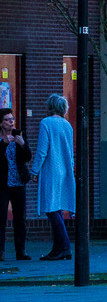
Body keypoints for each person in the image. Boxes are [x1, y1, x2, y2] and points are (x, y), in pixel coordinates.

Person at [33, 94, 75, 261]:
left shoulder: (46, 123)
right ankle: (57, 249)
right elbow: (70, 150)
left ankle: (64, 246)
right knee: (56, 208)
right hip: (65, 169)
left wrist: (34, 171)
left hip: (51, 169)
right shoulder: (67, 125)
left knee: (51, 209)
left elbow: (42, 150)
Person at [1, 109, 32, 260]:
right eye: (7, 119)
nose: (11, 122)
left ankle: (21, 250)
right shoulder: (1, 139)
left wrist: (22, 144)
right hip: (3, 183)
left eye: (12, 119)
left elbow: (27, 157)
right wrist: (3, 144)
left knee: (20, 217)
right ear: (1, 123)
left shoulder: (19, 135)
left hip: (18, 182)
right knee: (1, 217)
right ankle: (1, 251)